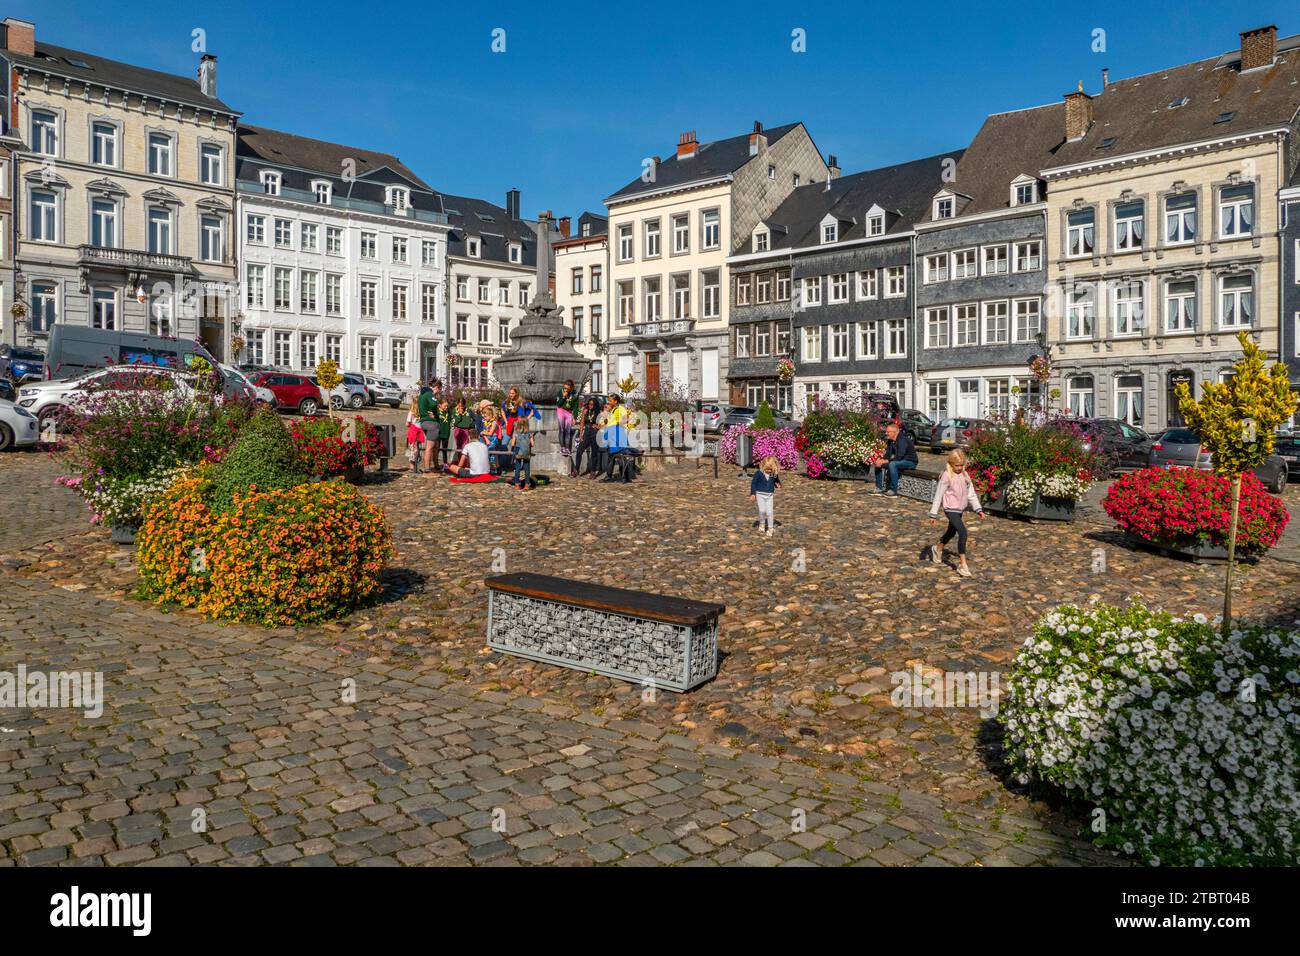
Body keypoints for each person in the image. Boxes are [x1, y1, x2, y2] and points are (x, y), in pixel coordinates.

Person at [927, 449, 985, 577]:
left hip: (960, 508)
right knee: (963, 532)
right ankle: (962, 565)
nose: (959, 468)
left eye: (961, 465)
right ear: (951, 463)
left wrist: (978, 509)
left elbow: (971, 494)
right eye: (956, 465)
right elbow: (938, 495)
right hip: (950, 509)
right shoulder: (947, 475)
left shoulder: (965, 475)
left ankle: (937, 548)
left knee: (951, 532)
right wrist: (933, 514)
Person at [872, 420, 918, 496]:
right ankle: (878, 487)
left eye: (888, 432)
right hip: (899, 461)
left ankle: (893, 490)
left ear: (894, 432)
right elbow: (887, 455)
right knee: (878, 463)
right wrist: (881, 460)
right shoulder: (891, 441)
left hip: (910, 462)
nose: (887, 434)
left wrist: (885, 461)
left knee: (893, 464)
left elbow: (899, 457)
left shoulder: (902, 440)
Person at [749, 456, 782, 536]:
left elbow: (776, 481)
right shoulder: (759, 473)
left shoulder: (774, 474)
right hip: (760, 495)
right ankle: (762, 523)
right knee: (762, 511)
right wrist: (753, 493)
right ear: (763, 466)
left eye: (770, 470)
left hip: (769, 495)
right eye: (767, 469)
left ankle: (770, 528)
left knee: (770, 512)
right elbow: (754, 483)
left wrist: (778, 485)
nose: (768, 471)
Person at [573, 397, 601, 477]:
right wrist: (581, 433)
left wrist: (598, 426)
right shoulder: (585, 411)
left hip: (595, 433)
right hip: (587, 432)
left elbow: (603, 424)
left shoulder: (599, 413)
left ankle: (593, 471)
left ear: (595, 405)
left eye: (592, 404)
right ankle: (576, 469)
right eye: (589, 404)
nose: (590, 406)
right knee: (579, 451)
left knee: (594, 453)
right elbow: (582, 423)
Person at [416, 383, 438, 474]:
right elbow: (434, 403)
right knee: (429, 447)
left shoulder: (420, 397)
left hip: (423, 422)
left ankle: (426, 466)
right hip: (431, 423)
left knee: (428, 446)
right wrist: (435, 411)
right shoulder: (429, 394)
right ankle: (427, 468)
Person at [555, 380, 579, 457]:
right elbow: (558, 404)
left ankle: (567, 449)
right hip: (561, 410)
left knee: (568, 431)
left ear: (571, 388)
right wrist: (563, 396)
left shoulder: (574, 395)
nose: (565, 389)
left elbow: (576, 407)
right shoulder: (560, 392)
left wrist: (574, 418)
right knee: (562, 429)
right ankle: (562, 448)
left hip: (569, 412)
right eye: (565, 387)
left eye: (567, 389)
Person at [510, 417, 534, 489]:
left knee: (517, 468)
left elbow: (513, 443)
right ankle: (527, 484)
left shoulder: (516, 433)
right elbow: (532, 444)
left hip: (518, 452)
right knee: (527, 468)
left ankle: (517, 484)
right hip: (526, 453)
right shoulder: (529, 433)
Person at [405, 395, 426, 472]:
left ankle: (412, 467)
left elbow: (407, 424)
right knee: (420, 448)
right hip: (421, 431)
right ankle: (421, 465)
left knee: (412, 448)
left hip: (413, 432)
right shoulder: (422, 412)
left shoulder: (411, 412)